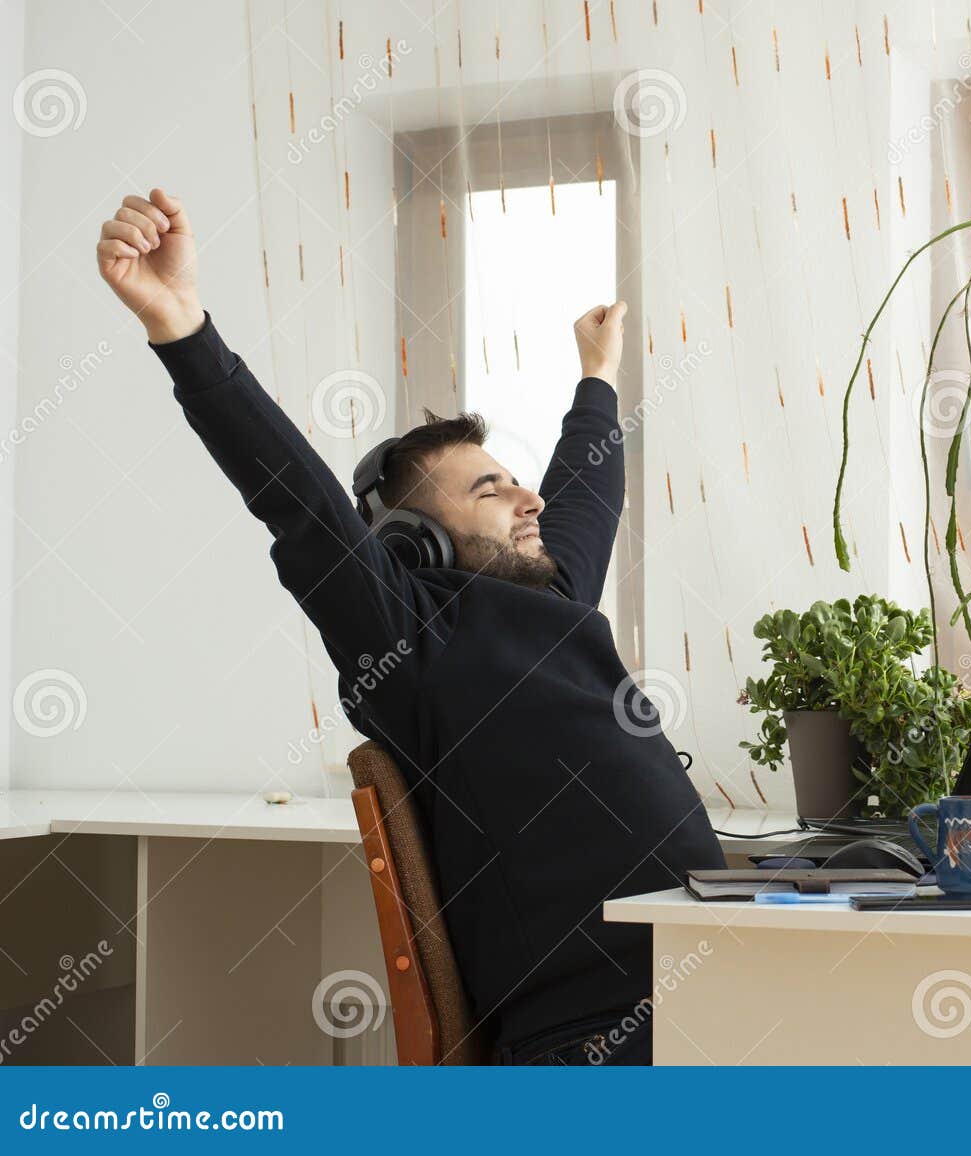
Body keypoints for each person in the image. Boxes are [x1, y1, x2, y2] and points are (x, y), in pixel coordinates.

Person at [96, 188, 724, 1066]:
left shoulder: (552, 598)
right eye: (490, 490)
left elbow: (585, 489)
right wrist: (181, 323)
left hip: (722, 989)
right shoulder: (407, 635)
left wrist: (597, 370)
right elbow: (298, 501)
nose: (529, 498)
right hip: (603, 1039)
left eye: (515, 480)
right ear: (416, 543)